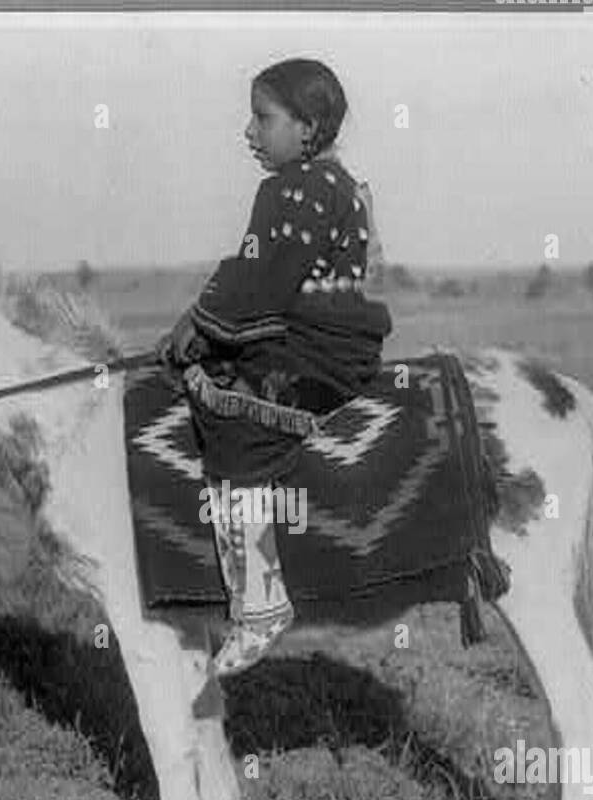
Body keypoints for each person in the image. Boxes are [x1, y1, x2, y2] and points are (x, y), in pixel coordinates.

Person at [157, 57, 392, 677]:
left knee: (234, 425)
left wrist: (197, 327)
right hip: (336, 345)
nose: (249, 132)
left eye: (263, 118)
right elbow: (257, 275)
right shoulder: (338, 183)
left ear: (308, 128)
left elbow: (260, 283)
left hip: (315, 353)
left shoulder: (292, 189)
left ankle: (260, 604)